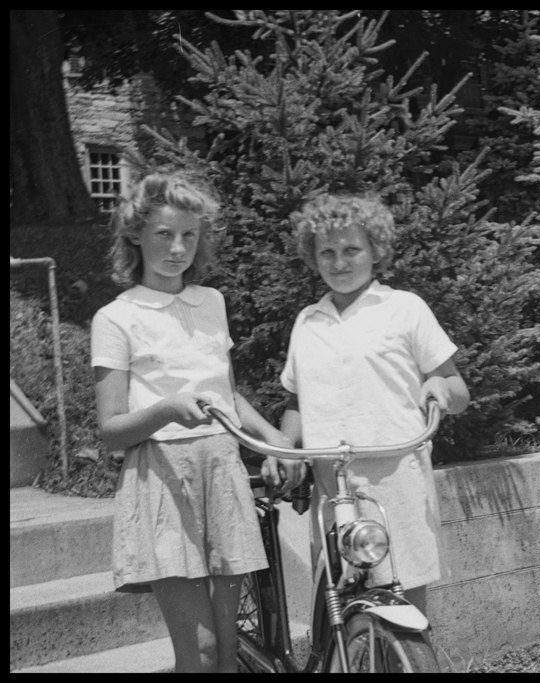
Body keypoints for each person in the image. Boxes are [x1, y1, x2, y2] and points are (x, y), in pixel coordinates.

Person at [91, 171, 293, 673]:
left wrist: (270, 439)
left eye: (189, 235)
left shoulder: (212, 302)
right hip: (162, 477)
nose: (177, 248)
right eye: (164, 234)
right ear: (135, 234)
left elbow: (224, 394)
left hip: (222, 469)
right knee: (199, 655)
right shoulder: (116, 318)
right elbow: (110, 428)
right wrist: (166, 409)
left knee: (230, 654)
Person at [264, 193, 470, 617]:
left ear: (376, 250)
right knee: (344, 607)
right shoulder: (308, 321)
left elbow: (457, 387)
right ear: (313, 257)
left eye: (351, 249)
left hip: (394, 476)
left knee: (404, 604)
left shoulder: (404, 309)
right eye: (328, 252)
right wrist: (282, 449)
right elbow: (297, 401)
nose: (340, 262)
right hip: (332, 486)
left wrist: (439, 389)